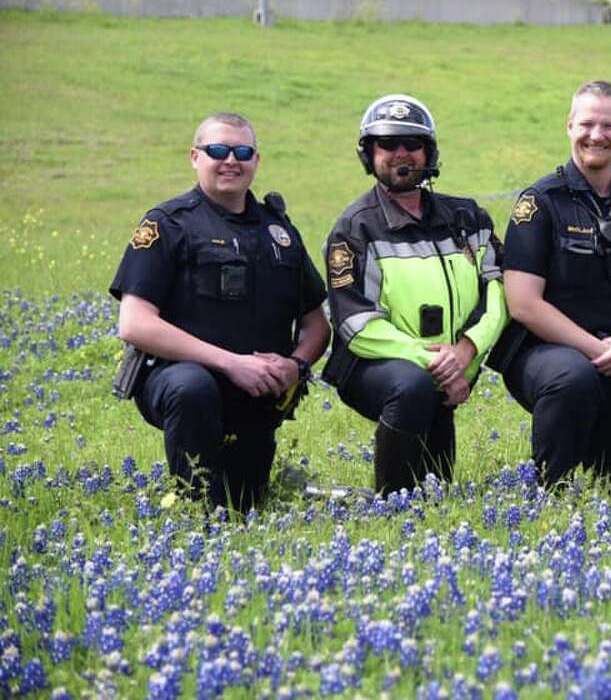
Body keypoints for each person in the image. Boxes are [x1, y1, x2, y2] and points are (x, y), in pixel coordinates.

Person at [110, 112, 330, 511]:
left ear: (256, 161)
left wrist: (295, 366)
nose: (231, 160)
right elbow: (134, 323)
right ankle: (194, 509)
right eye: (218, 150)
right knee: (193, 391)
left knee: (247, 503)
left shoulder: (278, 231)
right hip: (179, 379)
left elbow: (317, 324)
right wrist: (230, 364)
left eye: (243, 151)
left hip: (257, 392)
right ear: (195, 156)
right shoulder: (168, 223)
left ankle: (229, 502)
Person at [500, 80, 611, 488]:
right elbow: (523, 303)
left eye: (609, 125)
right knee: (574, 378)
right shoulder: (541, 202)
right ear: (569, 126)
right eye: (586, 124)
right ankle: (553, 490)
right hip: (548, 355)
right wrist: (600, 351)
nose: (596, 135)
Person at [322, 94, 506, 495]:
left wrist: (467, 351)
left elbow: (497, 290)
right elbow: (356, 323)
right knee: (413, 387)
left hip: (454, 362)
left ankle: (416, 499)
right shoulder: (355, 228)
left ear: (429, 153)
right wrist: (436, 362)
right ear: (368, 154)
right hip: (376, 366)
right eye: (387, 144)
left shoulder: (468, 218)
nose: (399, 153)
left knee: (437, 486)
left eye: (411, 144)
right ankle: (391, 501)